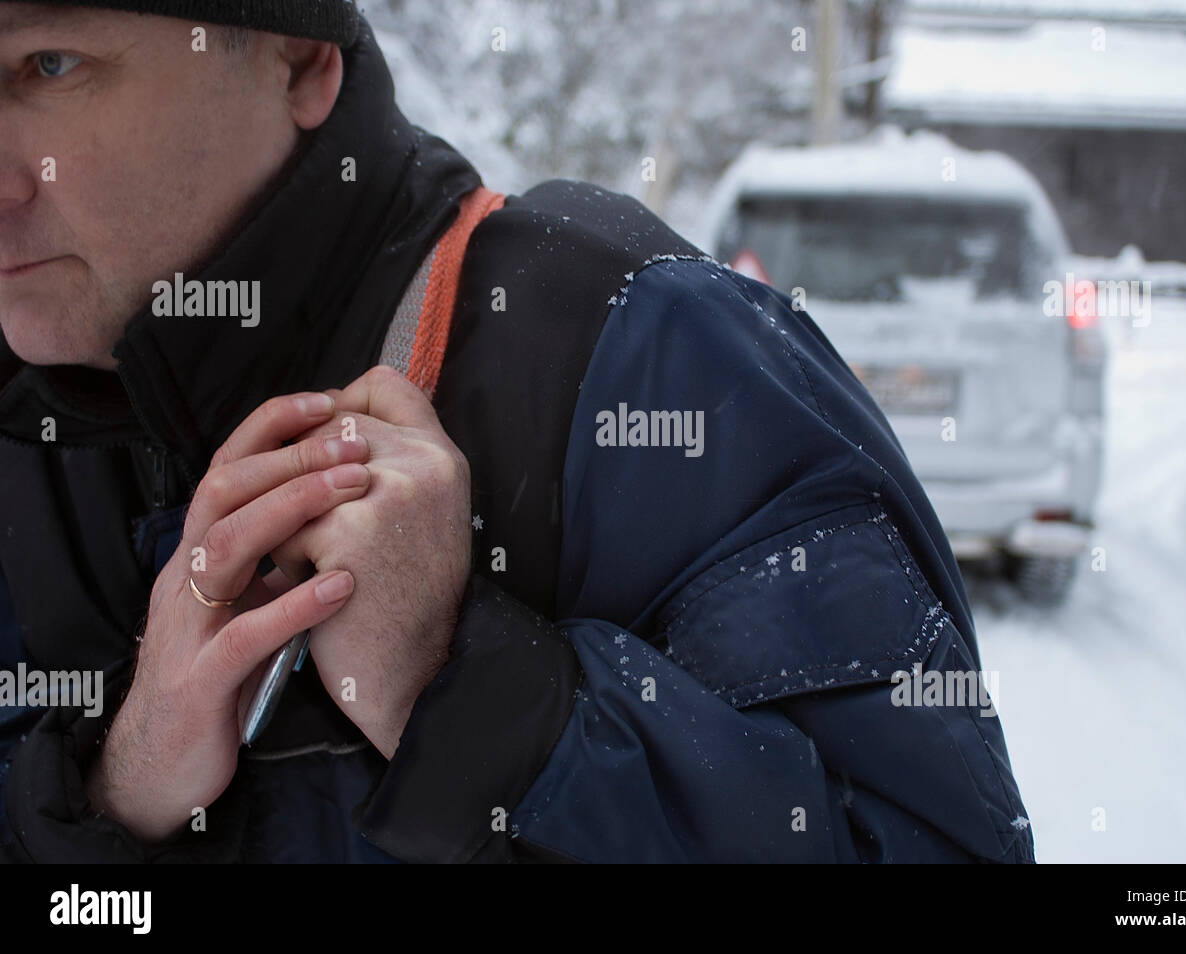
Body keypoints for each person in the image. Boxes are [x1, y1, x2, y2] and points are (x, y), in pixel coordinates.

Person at [0, 0, 1034, 862]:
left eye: (47, 65)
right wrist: (110, 790)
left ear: (299, 58)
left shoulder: (641, 350)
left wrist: (472, 698)